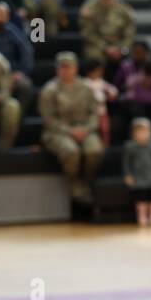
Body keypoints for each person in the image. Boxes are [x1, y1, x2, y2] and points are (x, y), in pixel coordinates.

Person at [40, 52, 102, 201]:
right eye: (62, 67)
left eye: (69, 67)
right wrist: (69, 131)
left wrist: (86, 129)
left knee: (94, 150)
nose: (65, 70)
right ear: (57, 69)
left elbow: (94, 114)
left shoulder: (86, 88)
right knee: (71, 151)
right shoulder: (50, 90)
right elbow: (48, 119)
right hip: (57, 132)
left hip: (84, 129)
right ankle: (73, 183)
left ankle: (88, 181)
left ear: (75, 68)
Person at [78, 0, 135, 81]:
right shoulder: (88, 9)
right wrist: (106, 48)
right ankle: (97, 89)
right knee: (94, 58)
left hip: (119, 46)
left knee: (135, 56)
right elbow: (87, 33)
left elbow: (129, 32)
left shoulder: (124, 9)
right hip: (98, 46)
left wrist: (122, 48)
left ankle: (129, 91)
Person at [0, 2, 32, 111]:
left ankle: (17, 117)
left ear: (7, 18)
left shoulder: (12, 31)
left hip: (9, 73)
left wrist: (21, 72)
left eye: (3, 15)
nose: (0, 19)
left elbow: (27, 51)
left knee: (25, 85)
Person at [122, 115, 151, 227]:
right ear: (134, 133)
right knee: (141, 199)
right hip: (138, 178)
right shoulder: (130, 147)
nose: (142, 134)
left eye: (144, 131)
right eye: (139, 132)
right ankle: (142, 217)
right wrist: (128, 175)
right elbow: (126, 163)